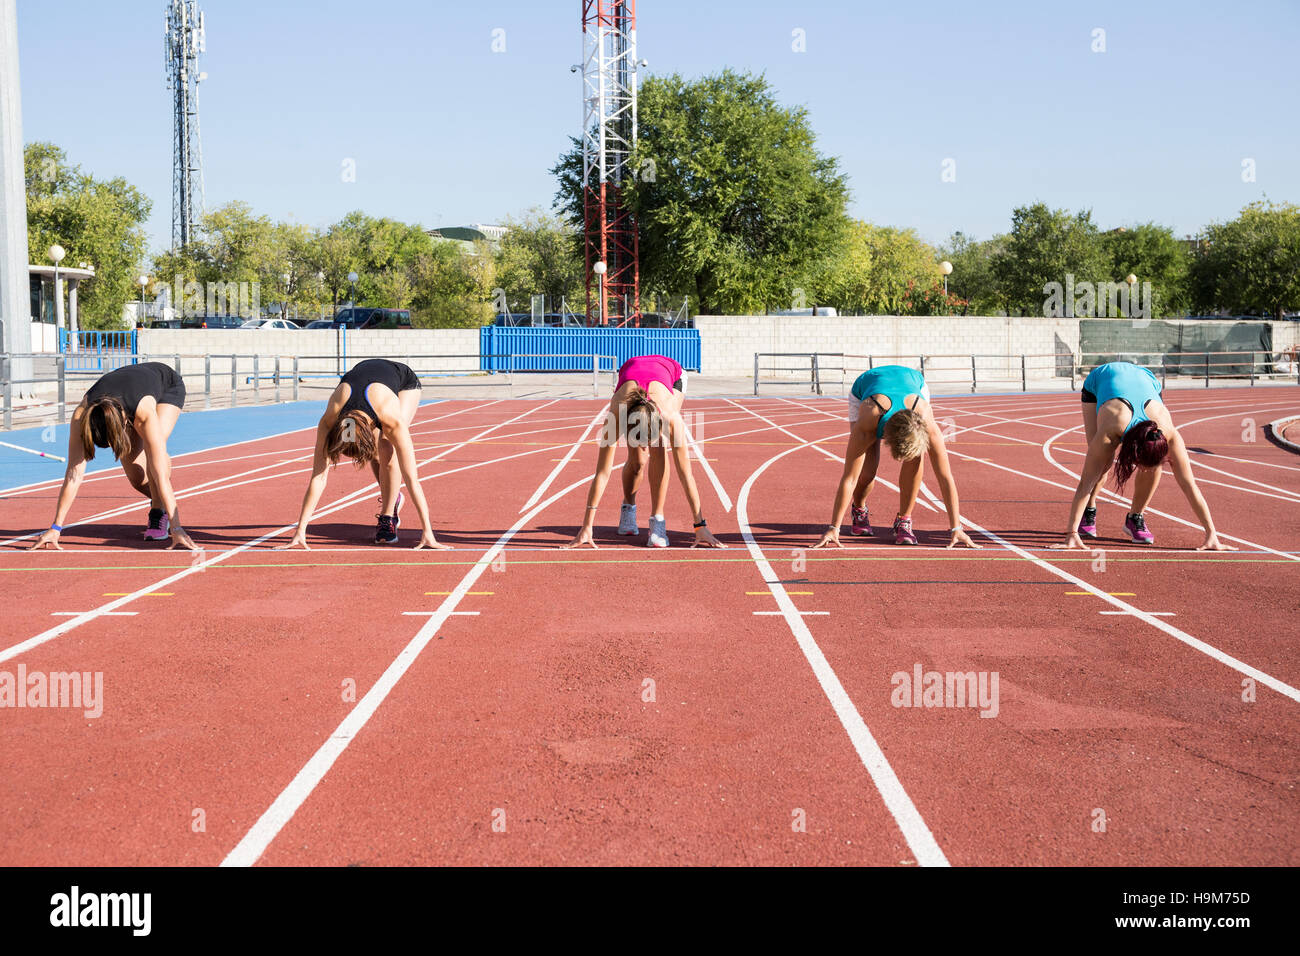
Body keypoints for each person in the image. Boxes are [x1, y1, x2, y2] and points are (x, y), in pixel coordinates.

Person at [1056, 361, 1231, 550]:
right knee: (1101, 466)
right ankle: (1089, 510)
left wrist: (1211, 533)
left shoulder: (1169, 433)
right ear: (1133, 451)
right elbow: (1085, 482)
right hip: (1102, 379)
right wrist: (1071, 534)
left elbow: (1189, 484)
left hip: (1147, 380)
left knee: (1153, 466)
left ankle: (1135, 517)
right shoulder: (1112, 427)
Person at [30, 361, 197, 550]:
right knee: (136, 478)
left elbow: (159, 475)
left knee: (155, 456)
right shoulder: (80, 416)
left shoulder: (144, 415)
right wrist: (56, 527)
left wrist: (177, 528)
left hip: (167, 386)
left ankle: (158, 511)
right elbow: (73, 474)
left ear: (124, 423)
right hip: (128, 388)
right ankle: (160, 501)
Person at [283, 358, 447, 549]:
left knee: (387, 446)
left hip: (403, 383)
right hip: (365, 385)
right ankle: (393, 494)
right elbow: (318, 477)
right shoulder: (329, 420)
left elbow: (412, 479)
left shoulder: (391, 420)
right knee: (377, 455)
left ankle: (388, 516)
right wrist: (300, 530)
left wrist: (427, 531)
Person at [565, 354, 725, 549]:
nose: (644, 447)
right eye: (639, 441)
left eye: (647, 441)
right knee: (638, 461)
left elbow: (686, 474)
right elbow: (602, 473)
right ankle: (628, 508)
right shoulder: (615, 416)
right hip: (631, 372)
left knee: (659, 450)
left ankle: (657, 522)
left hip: (671, 375)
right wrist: (587, 526)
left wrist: (700, 526)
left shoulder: (670, 417)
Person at [811, 364, 979, 549]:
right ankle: (859, 508)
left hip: (914, 385)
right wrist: (834, 527)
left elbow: (945, 476)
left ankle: (904, 520)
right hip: (866, 389)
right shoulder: (869, 416)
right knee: (866, 471)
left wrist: (956, 527)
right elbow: (849, 477)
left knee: (916, 457)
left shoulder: (926, 422)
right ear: (888, 438)